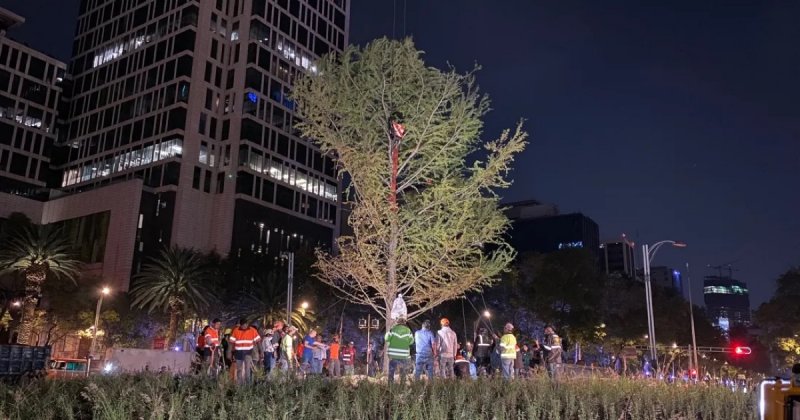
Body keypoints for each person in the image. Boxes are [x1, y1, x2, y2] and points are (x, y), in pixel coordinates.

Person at [229, 318, 261, 384]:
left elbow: (258, 341)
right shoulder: (236, 330)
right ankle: (239, 385)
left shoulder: (252, 330)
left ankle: (247, 386)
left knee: (247, 370)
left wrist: (261, 351)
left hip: (248, 353)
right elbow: (231, 342)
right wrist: (229, 352)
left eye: (245, 324)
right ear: (240, 325)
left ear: (247, 324)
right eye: (242, 325)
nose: (244, 326)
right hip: (238, 353)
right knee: (239, 370)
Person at [385, 317, 414, 385]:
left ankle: (390, 385)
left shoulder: (393, 329)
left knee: (391, 370)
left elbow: (386, 338)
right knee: (403, 371)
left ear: (397, 322)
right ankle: (402, 385)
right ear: (404, 323)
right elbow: (411, 342)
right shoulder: (408, 330)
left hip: (393, 354)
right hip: (404, 355)